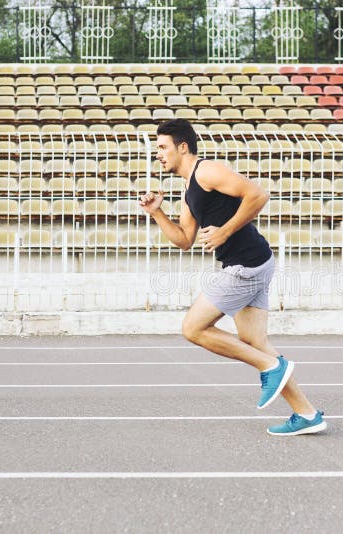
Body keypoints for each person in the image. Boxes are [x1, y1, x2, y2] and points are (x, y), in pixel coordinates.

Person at [139, 118, 327, 436]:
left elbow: (258, 195)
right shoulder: (188, 191)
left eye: (162, 147)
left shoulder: (207, 171)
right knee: (255, 342)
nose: (158, 154)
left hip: (246, 265)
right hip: (253, 262)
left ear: (182, 147)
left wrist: (225, 231)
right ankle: (307, 414)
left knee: (193, 328)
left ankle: (270, 366)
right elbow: (185, 239)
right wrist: (157, 212)